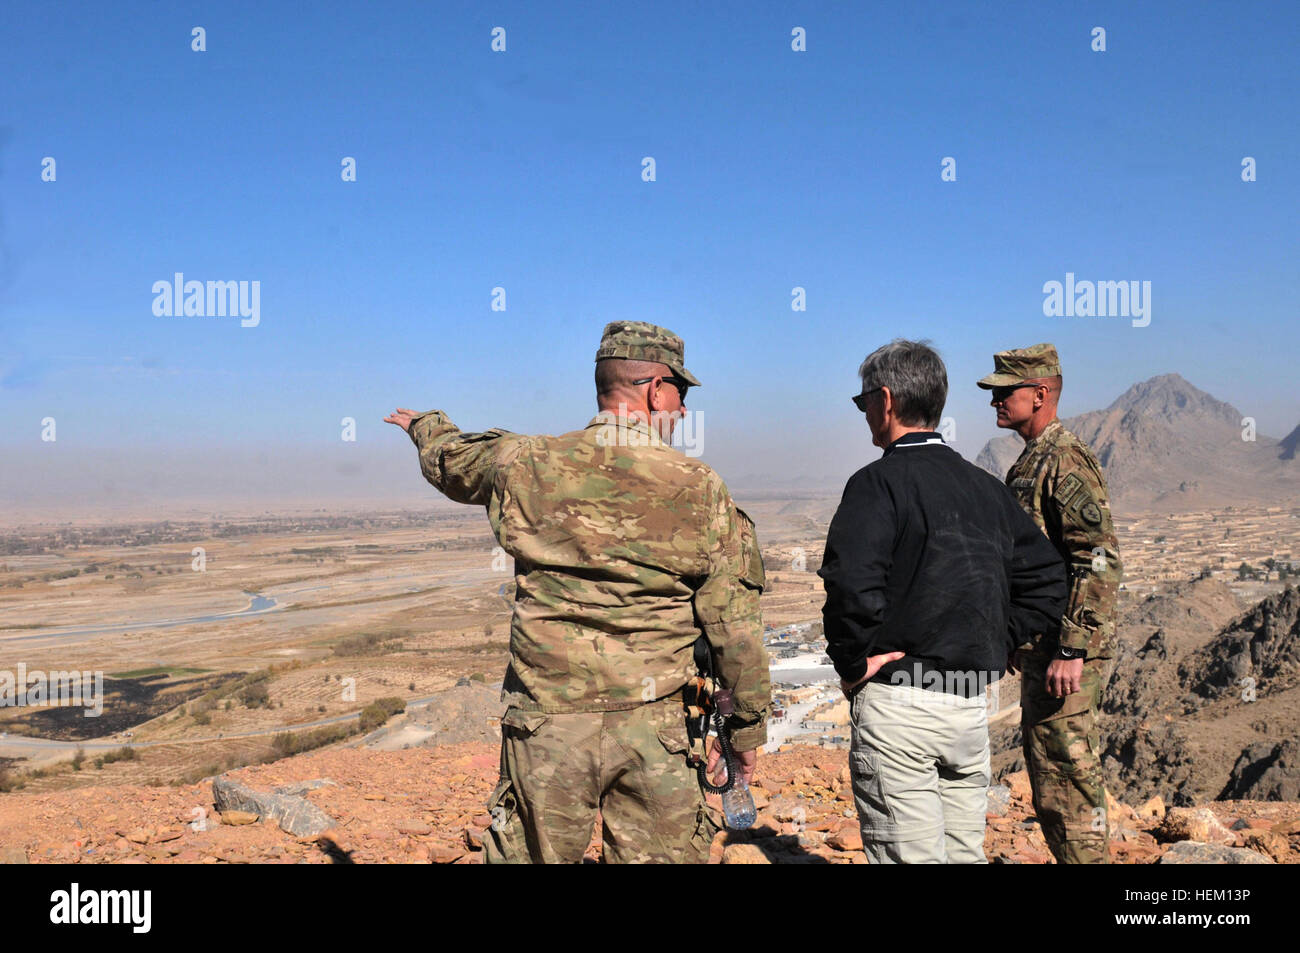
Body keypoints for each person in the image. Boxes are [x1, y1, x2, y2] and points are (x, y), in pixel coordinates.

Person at [385, 321, 770, 863]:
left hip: (546, 721)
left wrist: (426, 424)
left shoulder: (525, 462)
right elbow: (735, 628)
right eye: (680, 396)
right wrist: (744, 731)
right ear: (655, 388)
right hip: (655, 727)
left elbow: (450, 459)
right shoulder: (700, 488)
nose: (682, 412)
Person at [819, 339, 1066, 864]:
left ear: (885, 400)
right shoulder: (986, 489)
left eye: (863, 403)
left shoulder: (875, 485)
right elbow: (1048, 580)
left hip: (901, 708)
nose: (864, 414)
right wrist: (992, 639)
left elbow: (850, 587)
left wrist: (853, 662)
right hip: (969, 711)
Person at [978, 342, 1122, 864]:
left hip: (1066, 654)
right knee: (1050, 781)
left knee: (1069, 785)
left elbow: (1100, 559)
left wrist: (1073, 647)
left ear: (1040, 395)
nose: (994, 401)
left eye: (1004, 392)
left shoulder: (1063, 460)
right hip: (1045, 647)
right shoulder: (1033, 459)